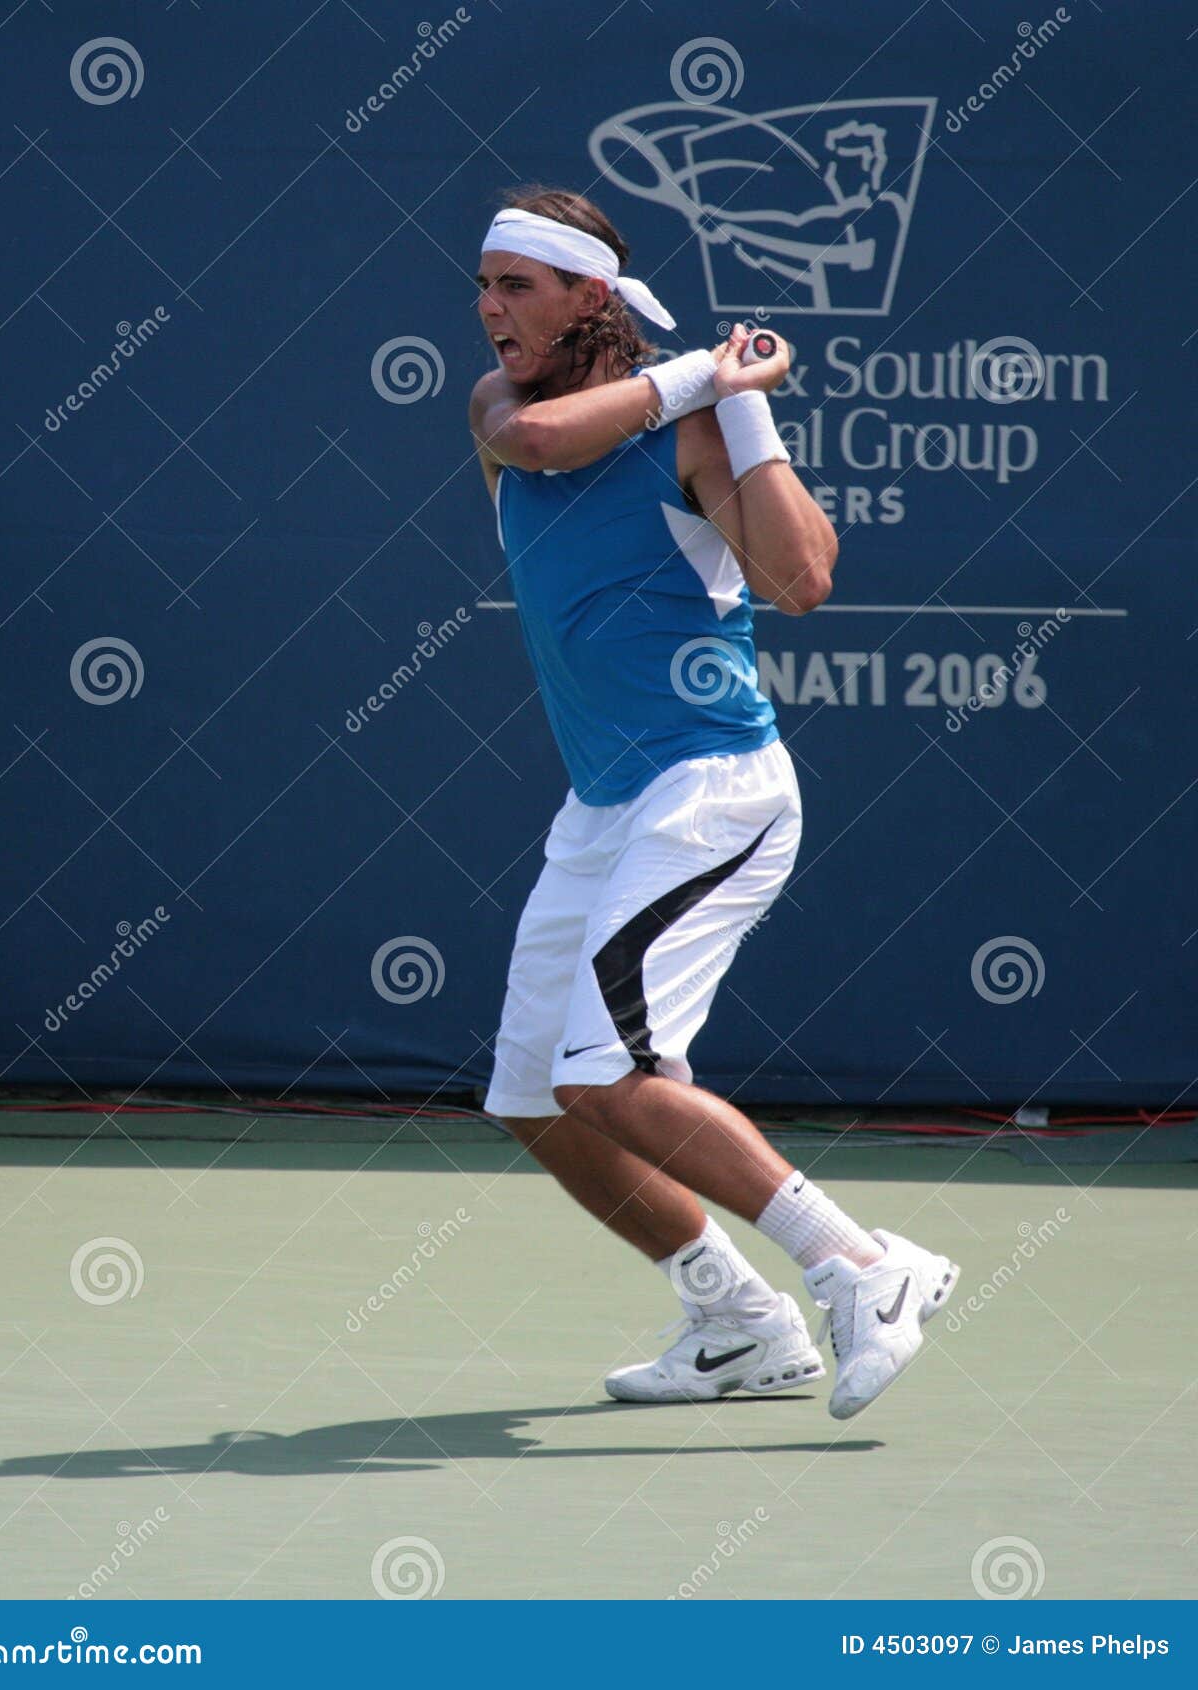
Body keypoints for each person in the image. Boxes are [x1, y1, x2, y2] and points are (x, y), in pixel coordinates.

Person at [469, 187, 957, 1418]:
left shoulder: (692, 428)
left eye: (515, 285)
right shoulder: (503, 414)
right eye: (483, 286)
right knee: (533, 1092)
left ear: (588, 296)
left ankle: (860, 1265)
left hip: (710, 792)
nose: (488, 310)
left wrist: (742, 409)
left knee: (604, 1071)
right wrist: (704, 370)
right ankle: (738, 1322)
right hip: (602, 809)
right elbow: (542, 445)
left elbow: (800, 579)